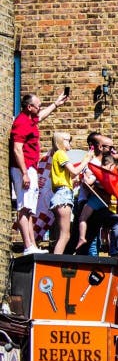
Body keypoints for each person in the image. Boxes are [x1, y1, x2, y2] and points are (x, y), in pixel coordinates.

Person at [9, 91, 68, 254]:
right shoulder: (21, 123)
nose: (40, 107)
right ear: (29, 107)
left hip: (30, 168)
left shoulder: (30, 121)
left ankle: (32, 245)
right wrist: (24, 173)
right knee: (24, 207)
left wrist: (56, 104)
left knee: (29, 209)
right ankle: (28, 246)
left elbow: (40, 116)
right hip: (24, 168)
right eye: (38, 105)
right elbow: (17, 149)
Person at [48, 132, 92, 254]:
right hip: (63, 195)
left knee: (60, 235)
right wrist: (86, 159)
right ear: (60, 141)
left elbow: (70, 175)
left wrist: (73, 180)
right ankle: (56, 263)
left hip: (61, 194)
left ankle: (55, 260)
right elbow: (75, 170)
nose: (70, 143)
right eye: (68, 140)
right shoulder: (61, 154)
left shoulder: (57, 155)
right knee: (65, 235)